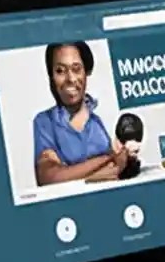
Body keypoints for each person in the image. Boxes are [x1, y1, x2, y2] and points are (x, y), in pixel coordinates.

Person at [32, 41, 138, 185]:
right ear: (51, 76)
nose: (70, 79)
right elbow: (50, 177)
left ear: (86, 72)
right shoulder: (45, 122)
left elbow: (114, 173)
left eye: (76, 69)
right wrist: (108, 159)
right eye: (60, 71)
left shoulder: (97, 123)